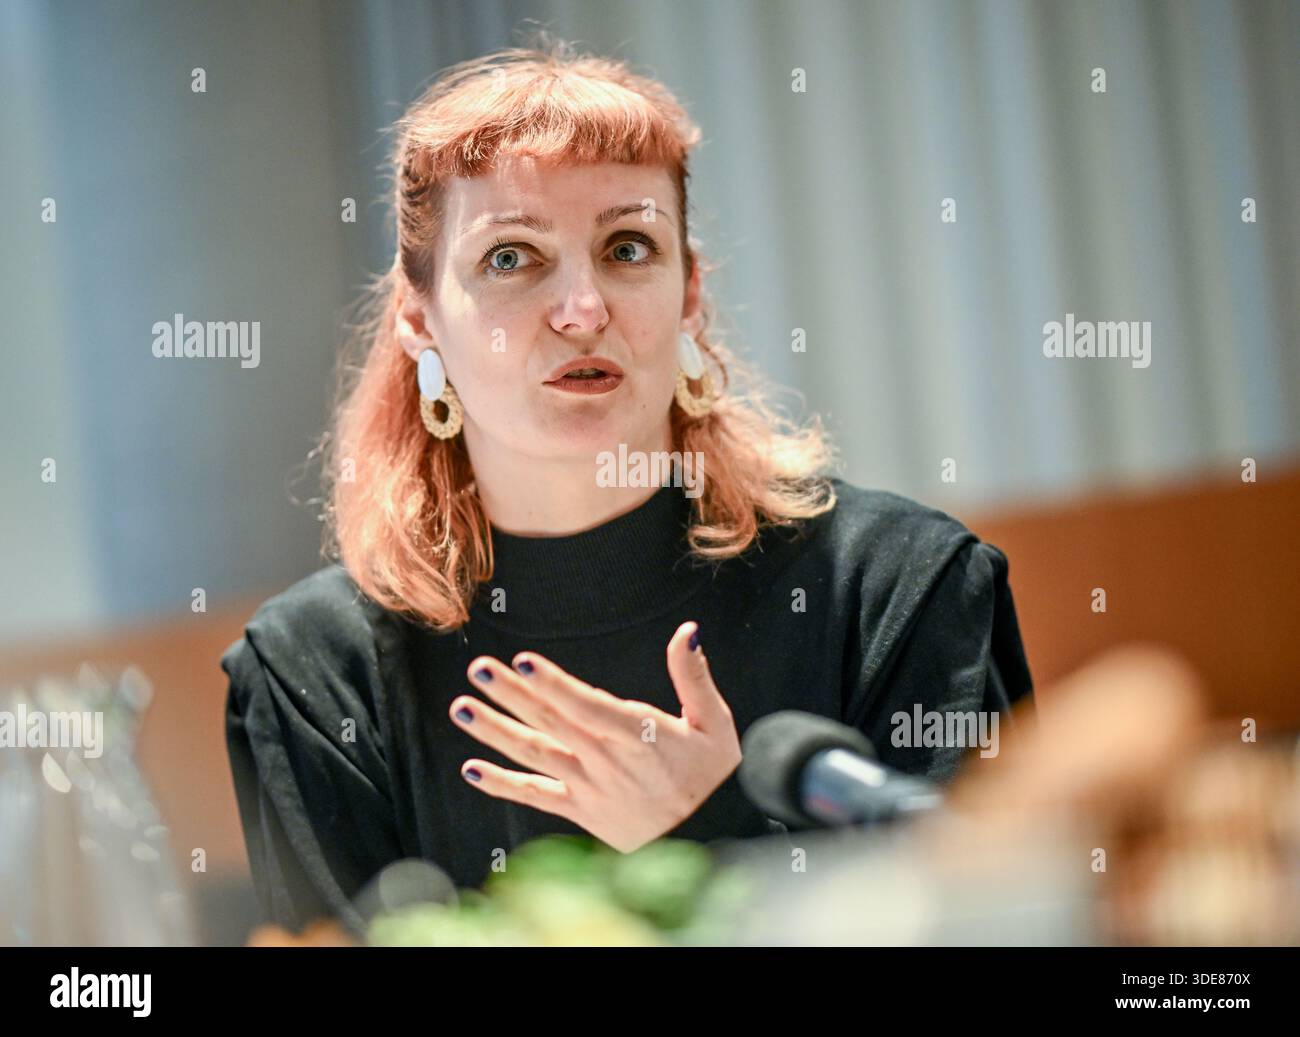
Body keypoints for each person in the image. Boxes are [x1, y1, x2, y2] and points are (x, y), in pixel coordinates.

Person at [221, 36, 1034, 934]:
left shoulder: (905, 588)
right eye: (511, 257)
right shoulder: (309, 674)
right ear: (420, 323)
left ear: (689, 294)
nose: (582, 309)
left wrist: (717, 835)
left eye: (627, 247)